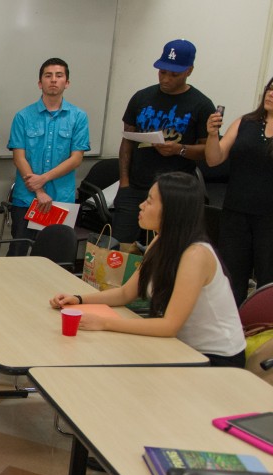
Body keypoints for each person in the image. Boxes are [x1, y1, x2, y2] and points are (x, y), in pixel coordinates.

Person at [50, 172, 245, 367]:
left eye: (150, 202)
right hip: (179, 347)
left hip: (215, 359)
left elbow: (169, 325)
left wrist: (104, 323)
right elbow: (126, 293)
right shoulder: (160, 240)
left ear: (171, 210)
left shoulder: (195, 255)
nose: (141, 205)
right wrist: (79, 299)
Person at [113, 39, 214, 244]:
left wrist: (180, 149)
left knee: (166, 250)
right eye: (162, 72)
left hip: (174, 194)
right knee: (119, 248)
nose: (166, 79)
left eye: (174, 74)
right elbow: (127, 142)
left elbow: (207, 151)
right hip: (134, 187)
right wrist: (124, 182)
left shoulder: (202, 105)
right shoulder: (141, 98)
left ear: (189, 71)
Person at [7, 58, 90, 255]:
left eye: (59, 76)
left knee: (54, 258)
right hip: (27, 200)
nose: (53, 80)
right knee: (18, 255)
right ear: (40, 83)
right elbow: (19, 157)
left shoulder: (78, 117)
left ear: (67, 83)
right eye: (48, 75)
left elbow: (76, 158)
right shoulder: (23, 116)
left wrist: (43, 180)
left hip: (60, 200)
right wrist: (39, 191)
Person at [204, 76, 273, 305]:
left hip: (269, 217)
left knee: (267, 279)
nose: (271, 94)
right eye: (270, 89)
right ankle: (231, 332)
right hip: (235, 211)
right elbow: (214, 159)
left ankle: (262, 334)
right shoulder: (245, 122)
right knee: (232, 277)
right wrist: (213, 134)